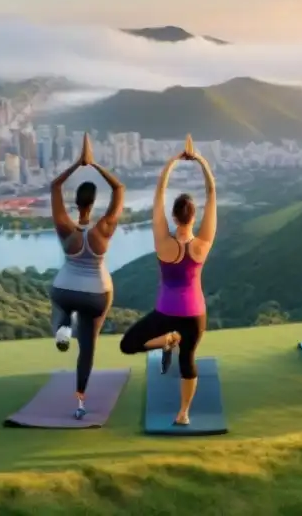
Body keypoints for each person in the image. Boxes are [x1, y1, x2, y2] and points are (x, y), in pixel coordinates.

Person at [120, 134, 216, 426]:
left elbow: (158, 195)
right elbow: (212, 194)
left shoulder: (163, 242)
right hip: (195, 313)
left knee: (129, 344)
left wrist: (172, 162)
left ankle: (168, 339)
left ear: (174, 217)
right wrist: (199, 160)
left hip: (165, 313)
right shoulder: (202, 244)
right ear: (193, 216)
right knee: (187, 361)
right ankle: (183, 413)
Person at [48, 132, 125, 419]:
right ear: (93, 203)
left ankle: (64, 325)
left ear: (76, 203)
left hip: (65, 289)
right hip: (96, 294)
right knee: (88, 347)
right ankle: (80, 402)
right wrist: (94, 165)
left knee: (61, 302)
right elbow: (119, 189)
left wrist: (77, 164)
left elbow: (55, 186)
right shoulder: (103, 229)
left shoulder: (65, 228)